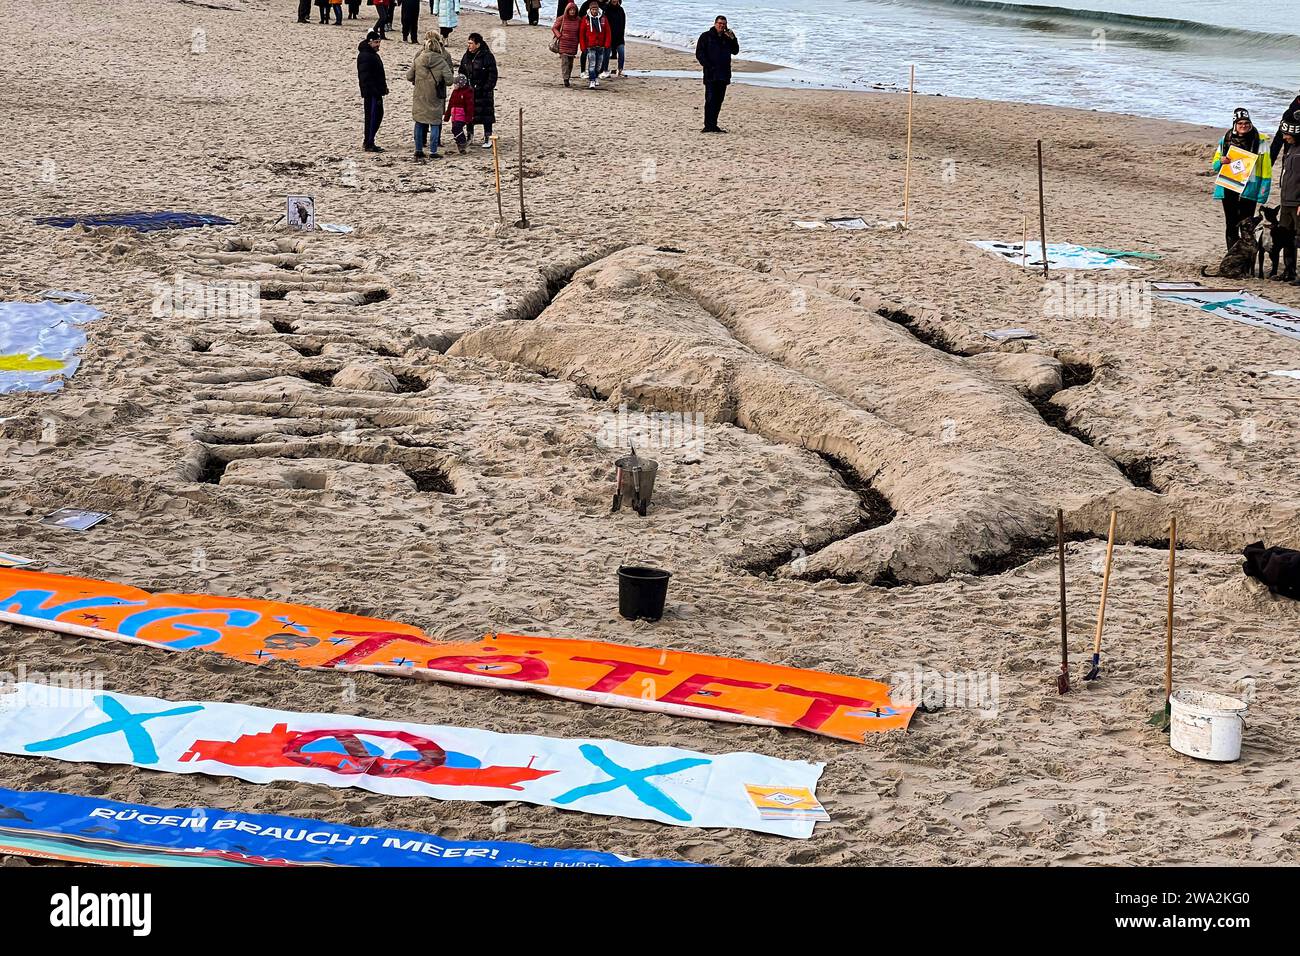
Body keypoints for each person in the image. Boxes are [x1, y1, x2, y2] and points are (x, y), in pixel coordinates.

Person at [1211, 108, 1272, 251]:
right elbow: (1215, 165)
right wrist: (1221, 161)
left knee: (1247, 226)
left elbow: (1266, 171)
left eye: (1246, 122)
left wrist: (1263, 194)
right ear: (1235, 124)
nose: (1243, 125)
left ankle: (1246, 260)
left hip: (1250, 189)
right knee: (1231, 224)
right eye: (1240, 123)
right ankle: (1232, 256)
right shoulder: (1225, 140)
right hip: (1229, 186)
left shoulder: (1261, 142)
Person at [408, 31, 455, 161]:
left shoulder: (419, 58)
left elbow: (409, 76)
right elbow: (450, 80)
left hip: (420, 94)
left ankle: (418, 149)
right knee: (435, 122)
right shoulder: (442, 60)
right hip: (436, 94)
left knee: (419, 121)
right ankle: (433, 150)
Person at [695, 15, 739, 133]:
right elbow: (699, 53)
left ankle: (713, 125)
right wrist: (708, 66)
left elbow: (735, 51)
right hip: (711, 74)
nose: (721, 26)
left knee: (719, 100)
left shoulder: (727, 38)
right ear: (715, 23)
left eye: (724, 24)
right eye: (719, 23)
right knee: (710, 100)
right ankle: (708, 125)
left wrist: (733, 38)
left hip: (723, 74)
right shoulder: (706, 36)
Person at [459, 33, 498, 148]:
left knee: (487, 116)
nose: (469, 45)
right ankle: (470, 136)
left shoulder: (487, 56)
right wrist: (464, 85)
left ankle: (488, 137)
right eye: (468, 43)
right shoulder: (466, 56)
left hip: (484, 91)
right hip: (469, 91)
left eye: (471, 43)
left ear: (478, 44)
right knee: (469, 115)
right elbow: (462, 71)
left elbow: (493, 74)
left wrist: (486, 87)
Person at [1274, 118, 1300, 285]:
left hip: (1297, 203)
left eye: (1286, 134)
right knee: (1287, 238)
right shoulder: (1290, 149)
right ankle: (1289, 272)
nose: (1284, 137)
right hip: (1286, 201)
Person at [357, 30, 389, 152]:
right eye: (376, 42)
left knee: (376, 116)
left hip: (376, 91)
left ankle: (369, 141)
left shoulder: (370, 54)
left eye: (379, 42)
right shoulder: (366, 55)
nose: (378, 45)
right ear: (370, 42)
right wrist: (375, 90)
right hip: (372, 93)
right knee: (372, 117)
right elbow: (366, 77)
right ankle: (369, 142)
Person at [578, 2, 610, 90]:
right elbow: (582, 34)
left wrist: (607, 44)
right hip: (590, 45)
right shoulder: (586, 19)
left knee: (599, 64)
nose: (594, 11)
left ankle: (595, 77)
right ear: (590, 9)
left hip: (600, 45)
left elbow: (608, 32)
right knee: (592, 64)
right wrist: (583, 46)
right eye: (592, 9)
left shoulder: (603, 18)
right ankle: (592, 80)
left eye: (596, 9)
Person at [552, 2, 581, 87]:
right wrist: (559, 36)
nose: (572, 12)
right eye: (571, 10)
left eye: (574, 10)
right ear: (567, 10)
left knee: (570, 63)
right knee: (565, 62)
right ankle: (565, 79)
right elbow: (554, 28)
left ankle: (568, 77)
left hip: (573, 44)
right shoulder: (562, 18)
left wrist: (579, 40)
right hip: (563, 43)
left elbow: (581, 31)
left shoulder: (578, 20)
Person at [445, 73, 475, 153]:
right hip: (454, 115)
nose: (454, 86)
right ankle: (461, 146)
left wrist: (469, 117)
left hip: (461, 115)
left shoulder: (467, 92)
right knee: (454, 130)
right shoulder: (455, 92)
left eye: (456, 84)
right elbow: (450, 104)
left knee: (456, 128)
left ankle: (462, 142)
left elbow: (470, 106)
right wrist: (447, 116)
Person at [603, 0, 625, 77]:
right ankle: (605, 70)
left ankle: (620, 70)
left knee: (622, 53)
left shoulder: (621, 9)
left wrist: (622, 34)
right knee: (606, 54)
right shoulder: (606, 9)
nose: (615, 0)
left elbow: (623, 23)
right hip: (609, 36)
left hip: (619, 37)